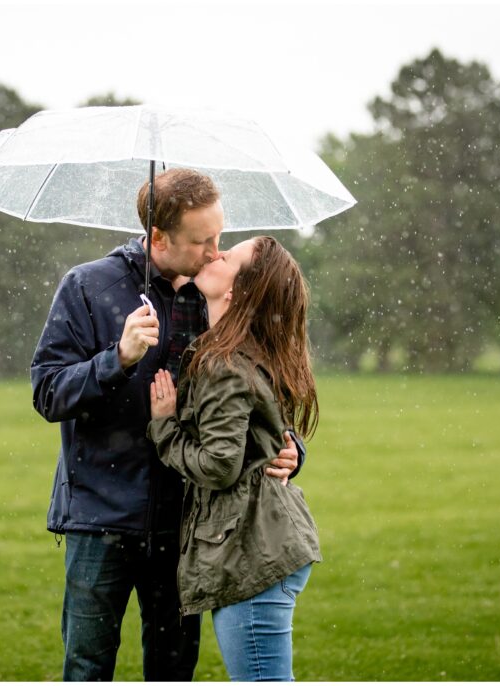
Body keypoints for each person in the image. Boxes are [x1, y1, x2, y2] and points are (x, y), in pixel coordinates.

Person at [30, 169, 302, 681]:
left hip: (188, 525)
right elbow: (47, 393)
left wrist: (291, 449)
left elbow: (256, 389)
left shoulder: (215, 294)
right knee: (87, 667)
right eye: (203, 241)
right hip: (99, 521)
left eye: (220, 239)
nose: (215, 253)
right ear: (159, 237)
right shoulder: (89, 287)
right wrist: (118, 358)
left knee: (175, 671)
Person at [147, 236, 322, 682]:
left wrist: (165, 427)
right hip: (261, 543)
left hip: (252, 552)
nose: (215, 253)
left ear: (238, 292)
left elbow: (221, 465)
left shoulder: (224, 363)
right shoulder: (243, 353)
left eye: (230, 255)